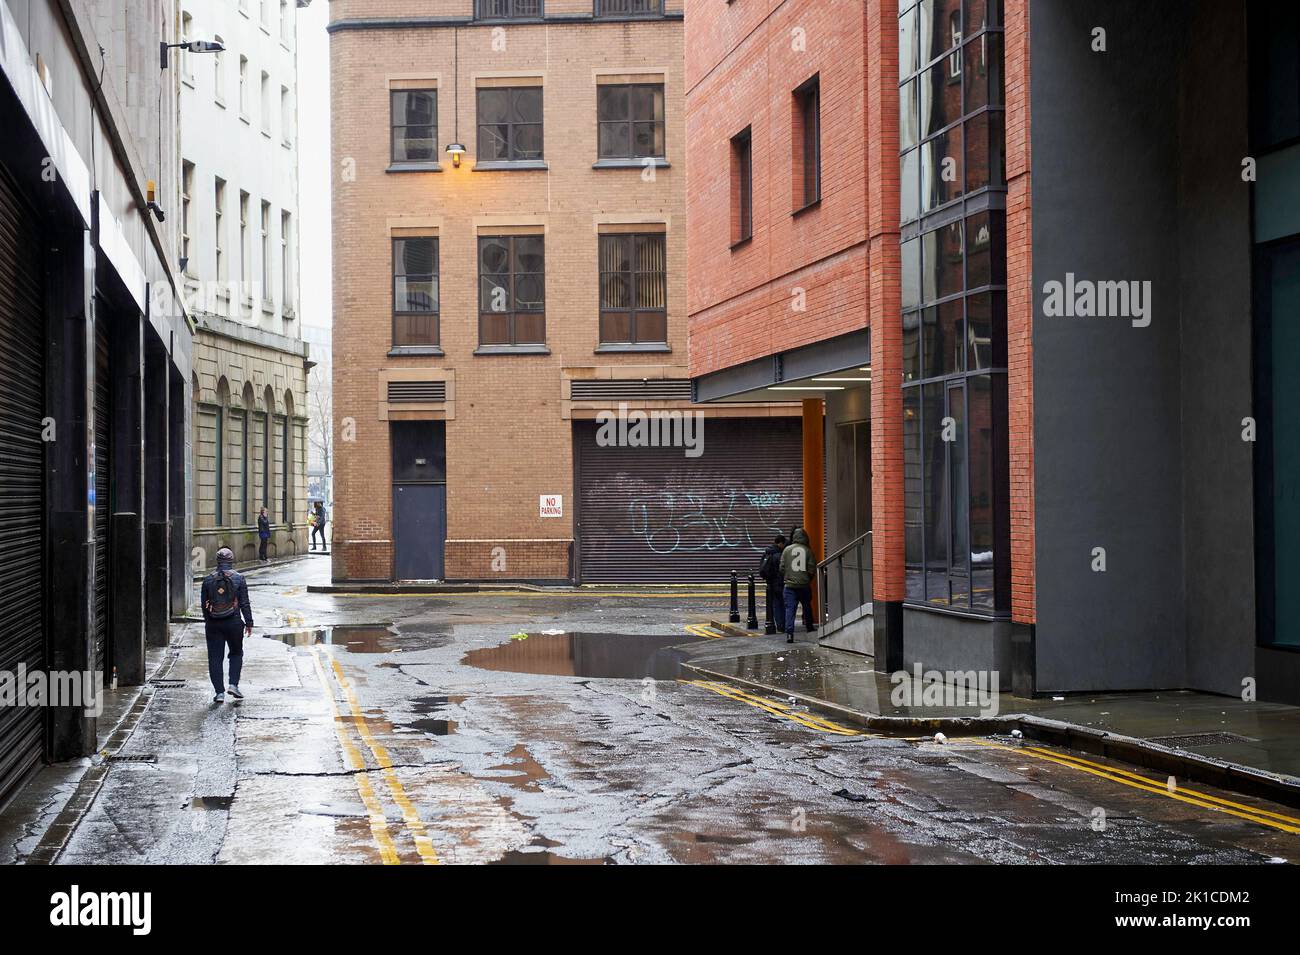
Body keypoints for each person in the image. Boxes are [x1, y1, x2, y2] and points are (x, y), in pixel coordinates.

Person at [201, 546, 253, 703]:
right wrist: (249, 622)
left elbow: (204, 605)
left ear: (217, 561)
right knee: (236, 653)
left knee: (215, 658)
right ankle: (233, 685)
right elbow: (244, 603)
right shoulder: (239, 578)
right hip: (234, 622)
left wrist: (208, 621)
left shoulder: (208, 579)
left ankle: (219, 693)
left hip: (214, 624)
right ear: (231, 561)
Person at [779, 527, 817, 644]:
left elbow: (781, 568)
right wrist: (807, 579)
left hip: (789, 586)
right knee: (807, 607)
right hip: (804, 585)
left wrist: (788, 576)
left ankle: (789, 634)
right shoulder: (808, 550)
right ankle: (809, 627)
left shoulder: (786, 550)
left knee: (790, 609)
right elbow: (812, 569)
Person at [758, 534, 787, 632]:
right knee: (783, 604)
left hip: (770, 583)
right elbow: (782, 570)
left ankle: (778, 624)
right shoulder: (779, 555)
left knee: (775, 604)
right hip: (780, 583)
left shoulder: (767, 553)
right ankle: (783, 625)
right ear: (781, 543)